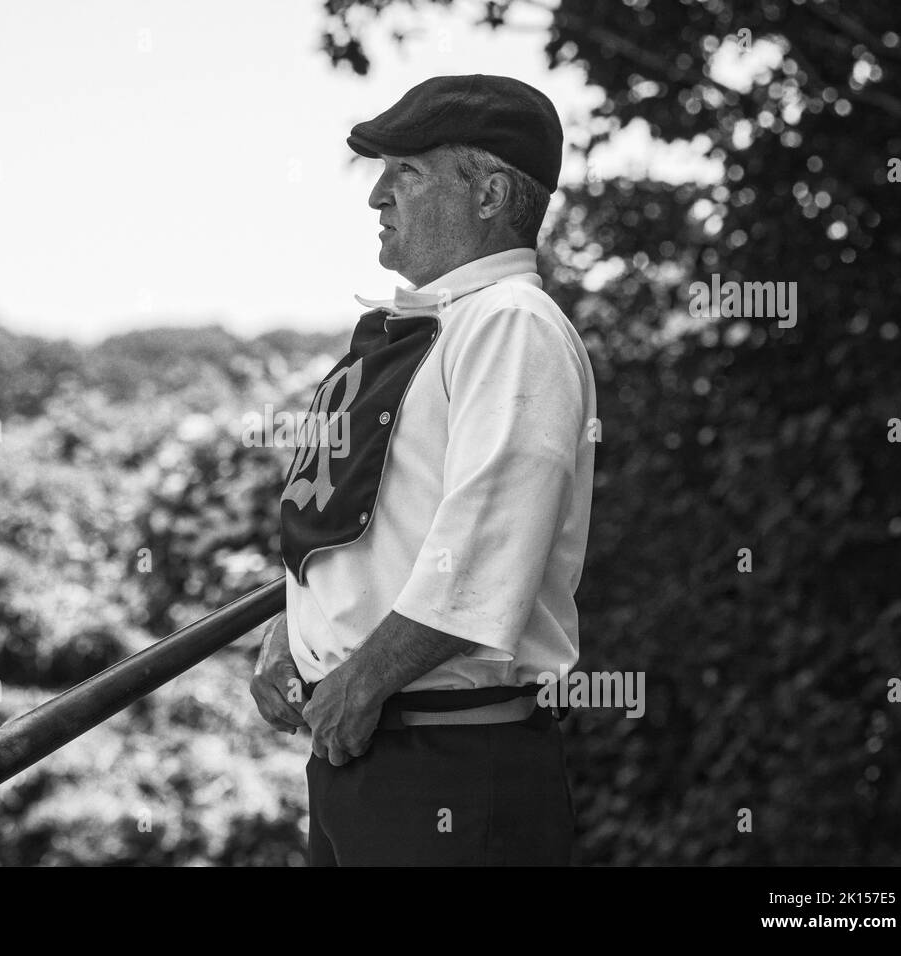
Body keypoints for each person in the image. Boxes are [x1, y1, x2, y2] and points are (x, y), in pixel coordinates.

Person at [250, 73, 597, 866]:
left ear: (490, 194)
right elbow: (383, 533)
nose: (378, 196)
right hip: (369, 759)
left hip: (451, 768)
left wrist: (362, 680)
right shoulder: (436, 328)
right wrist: (297, 634)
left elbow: (481, 556)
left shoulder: (511, 324)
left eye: (406, 170)